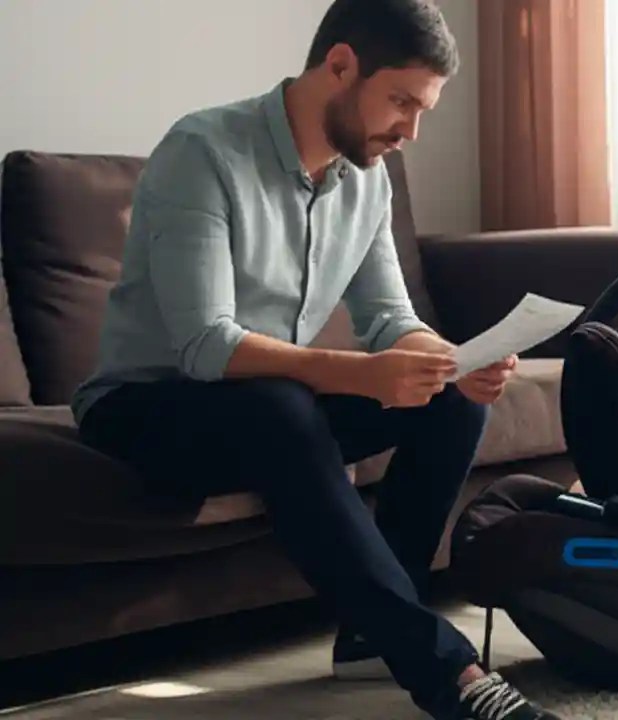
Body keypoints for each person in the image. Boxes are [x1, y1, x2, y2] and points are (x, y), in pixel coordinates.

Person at [70, 1, 564, 718]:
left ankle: (370, 637)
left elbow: (390, 319)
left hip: (271, 407)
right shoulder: (204, 151)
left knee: (451, 399)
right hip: (148, 405)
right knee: (280, 404)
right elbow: (206, 344)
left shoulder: (365, 177)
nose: (410, 130)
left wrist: (452, 361)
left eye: (422, 108)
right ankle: (448, 676)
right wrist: (365, 373)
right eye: (400, 101)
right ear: (340, 66)